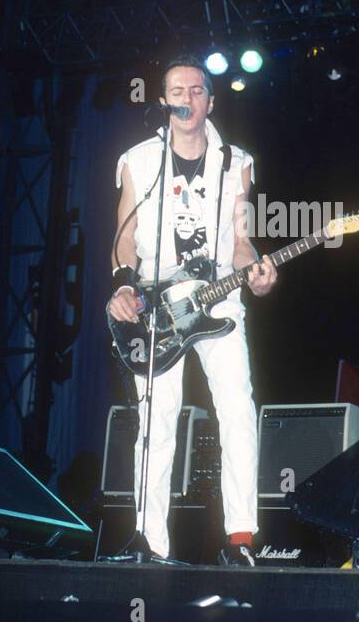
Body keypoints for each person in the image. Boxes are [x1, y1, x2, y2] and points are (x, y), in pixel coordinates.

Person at [108, 55, 277, 566]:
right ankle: (148, 542)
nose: (187, 97)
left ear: (210, 101)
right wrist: (122, 286)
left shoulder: (237, 162)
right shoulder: (138, 160)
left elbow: (242, 240)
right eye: (177, 90)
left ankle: (240, 539)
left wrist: (258, 270)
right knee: (156, 417)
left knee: (238, 410)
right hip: (158, 302)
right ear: (164, 101)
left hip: (219, 298)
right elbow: (125, 237)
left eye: (197, 90)